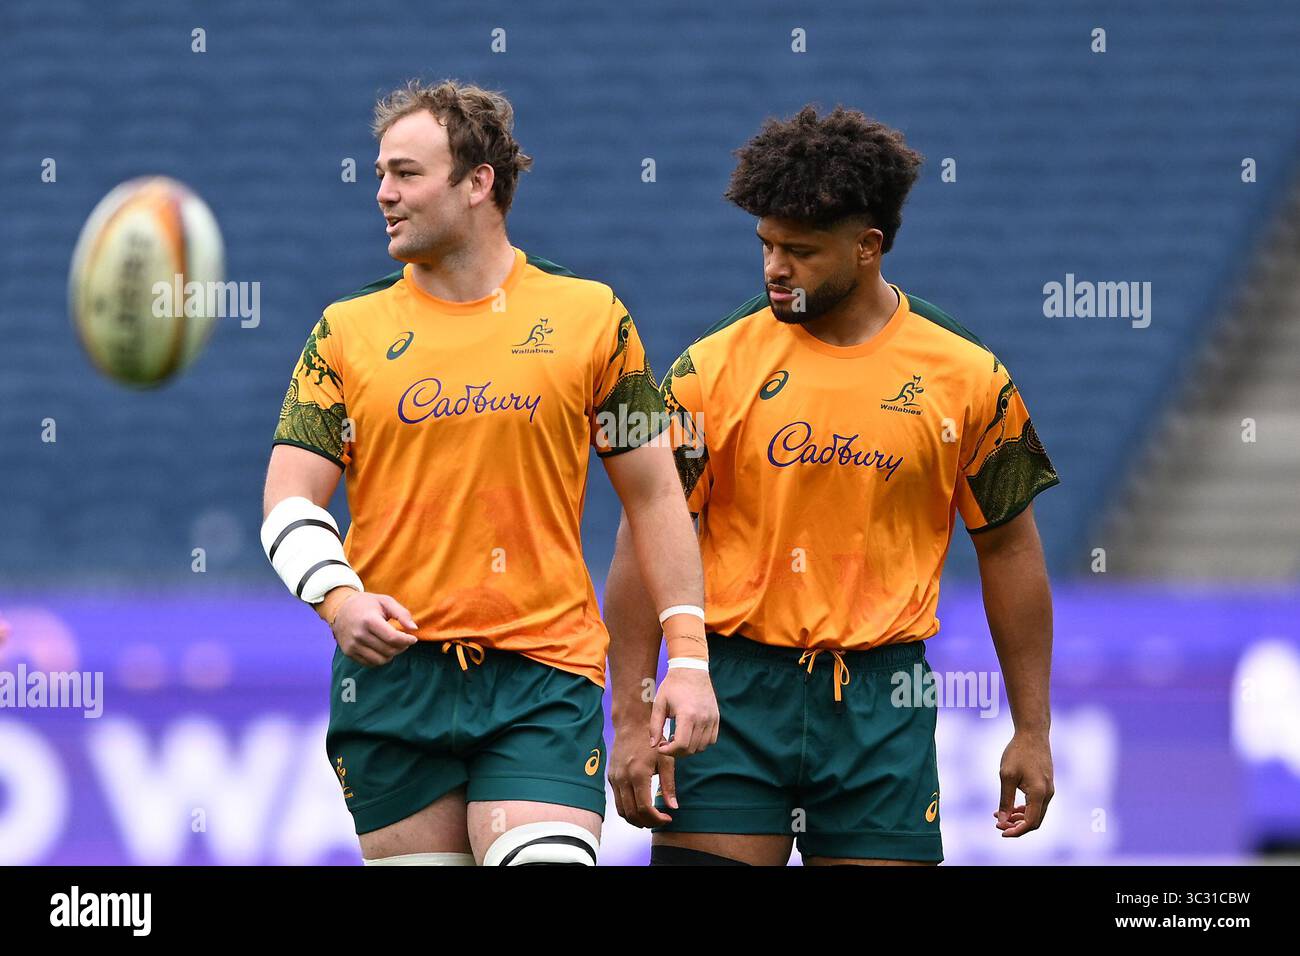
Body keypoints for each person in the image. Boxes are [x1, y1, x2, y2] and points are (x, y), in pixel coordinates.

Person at [261, 79, 717, 866]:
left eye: (406, 174)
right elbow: (287, 500)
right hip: (394, 686)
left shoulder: (591, 318)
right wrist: (338, 601)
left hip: (542, 676)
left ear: (479, 183)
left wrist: (689, 656)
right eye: (379, 174)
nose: (382, 194)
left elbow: (654, 498)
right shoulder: (345, 333)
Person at [605, 105, 1059, 865]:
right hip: (730, 693)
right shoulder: (706, 371)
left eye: (801, 251)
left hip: (883, 705)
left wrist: (1033, 728)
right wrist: (629, 715)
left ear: (869, 246)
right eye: (766, 245)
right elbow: (642, 536)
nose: (774, 268)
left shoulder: (970, 378)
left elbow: (1009, 551)